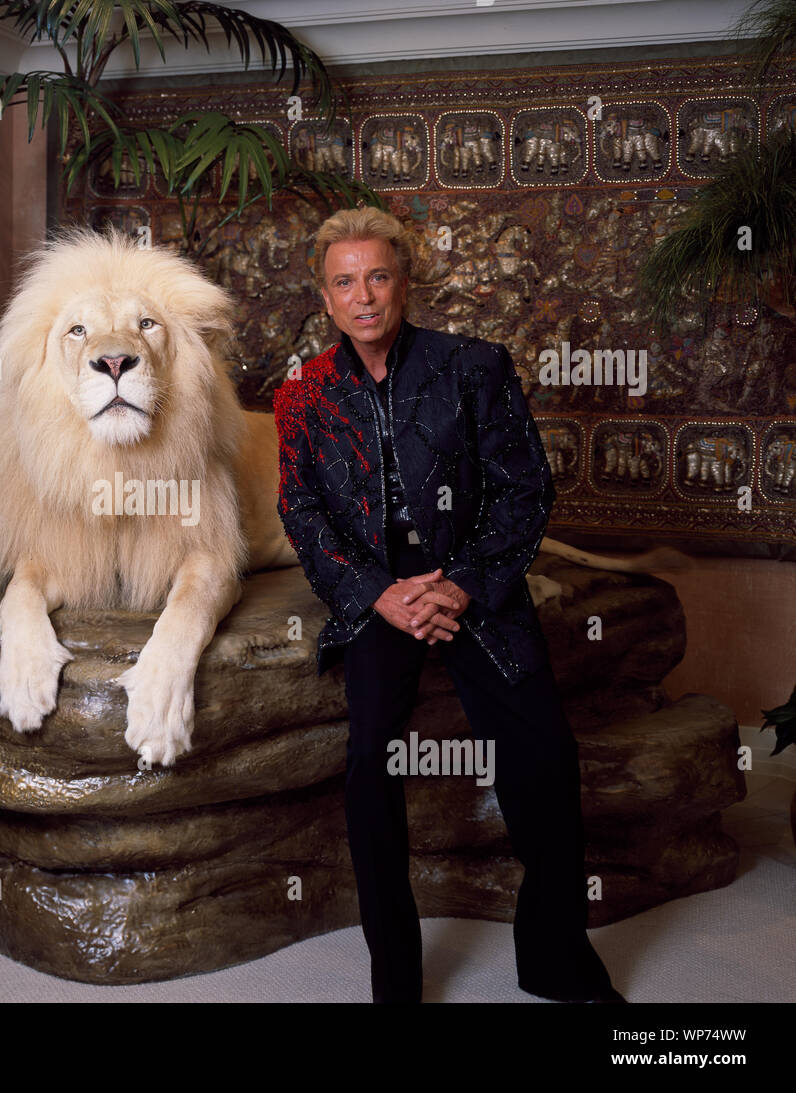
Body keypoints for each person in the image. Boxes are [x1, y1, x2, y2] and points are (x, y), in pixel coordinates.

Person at [273, 206, 623, 1004]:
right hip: (377, 593)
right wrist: (379, 594)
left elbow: (525, 489)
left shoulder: (473, 367)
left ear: (404, 283)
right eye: (344, 282)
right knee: (369, 765)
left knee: (547, 755)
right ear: (325, 298)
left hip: (471, 582)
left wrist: (459, 583)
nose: (363, 296)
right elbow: (304, 513)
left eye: (378, 276)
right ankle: (395, 979)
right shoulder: (303, 394)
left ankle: (557, 962)